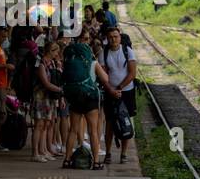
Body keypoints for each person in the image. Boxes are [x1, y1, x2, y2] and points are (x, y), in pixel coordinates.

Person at [61, 31, 110, 170]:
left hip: (75, 97)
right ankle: (96, 162)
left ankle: (67, 159)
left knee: (73, 130)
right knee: (93, 131)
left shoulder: (70, 61)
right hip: (90, 98)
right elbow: (106, 79)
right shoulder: (93, 62)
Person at [100, 25, 137, 164]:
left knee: (125, 121)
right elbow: (103, 76)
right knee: (109, 122)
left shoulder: (128, 51)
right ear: (107, 39)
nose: (113, 39)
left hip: (126, 91)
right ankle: (108, 152)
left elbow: (132, 73)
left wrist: (120, 88)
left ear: (120, 37)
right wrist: (111, 90)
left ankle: (123, 154)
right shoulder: (103, 53)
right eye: (110, 37)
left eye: (115, 36)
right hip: (110, 92)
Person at [31, 40, 65, 162]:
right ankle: (35, 152)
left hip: (49, 98)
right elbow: (46, 83)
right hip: (40, 97)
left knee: (46, 124)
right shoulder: (41, 64)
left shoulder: (52, 64)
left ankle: (43, 150)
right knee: (39, 124)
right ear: (50, 51)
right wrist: (60, 90)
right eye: (56, 51)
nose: (57, 54)